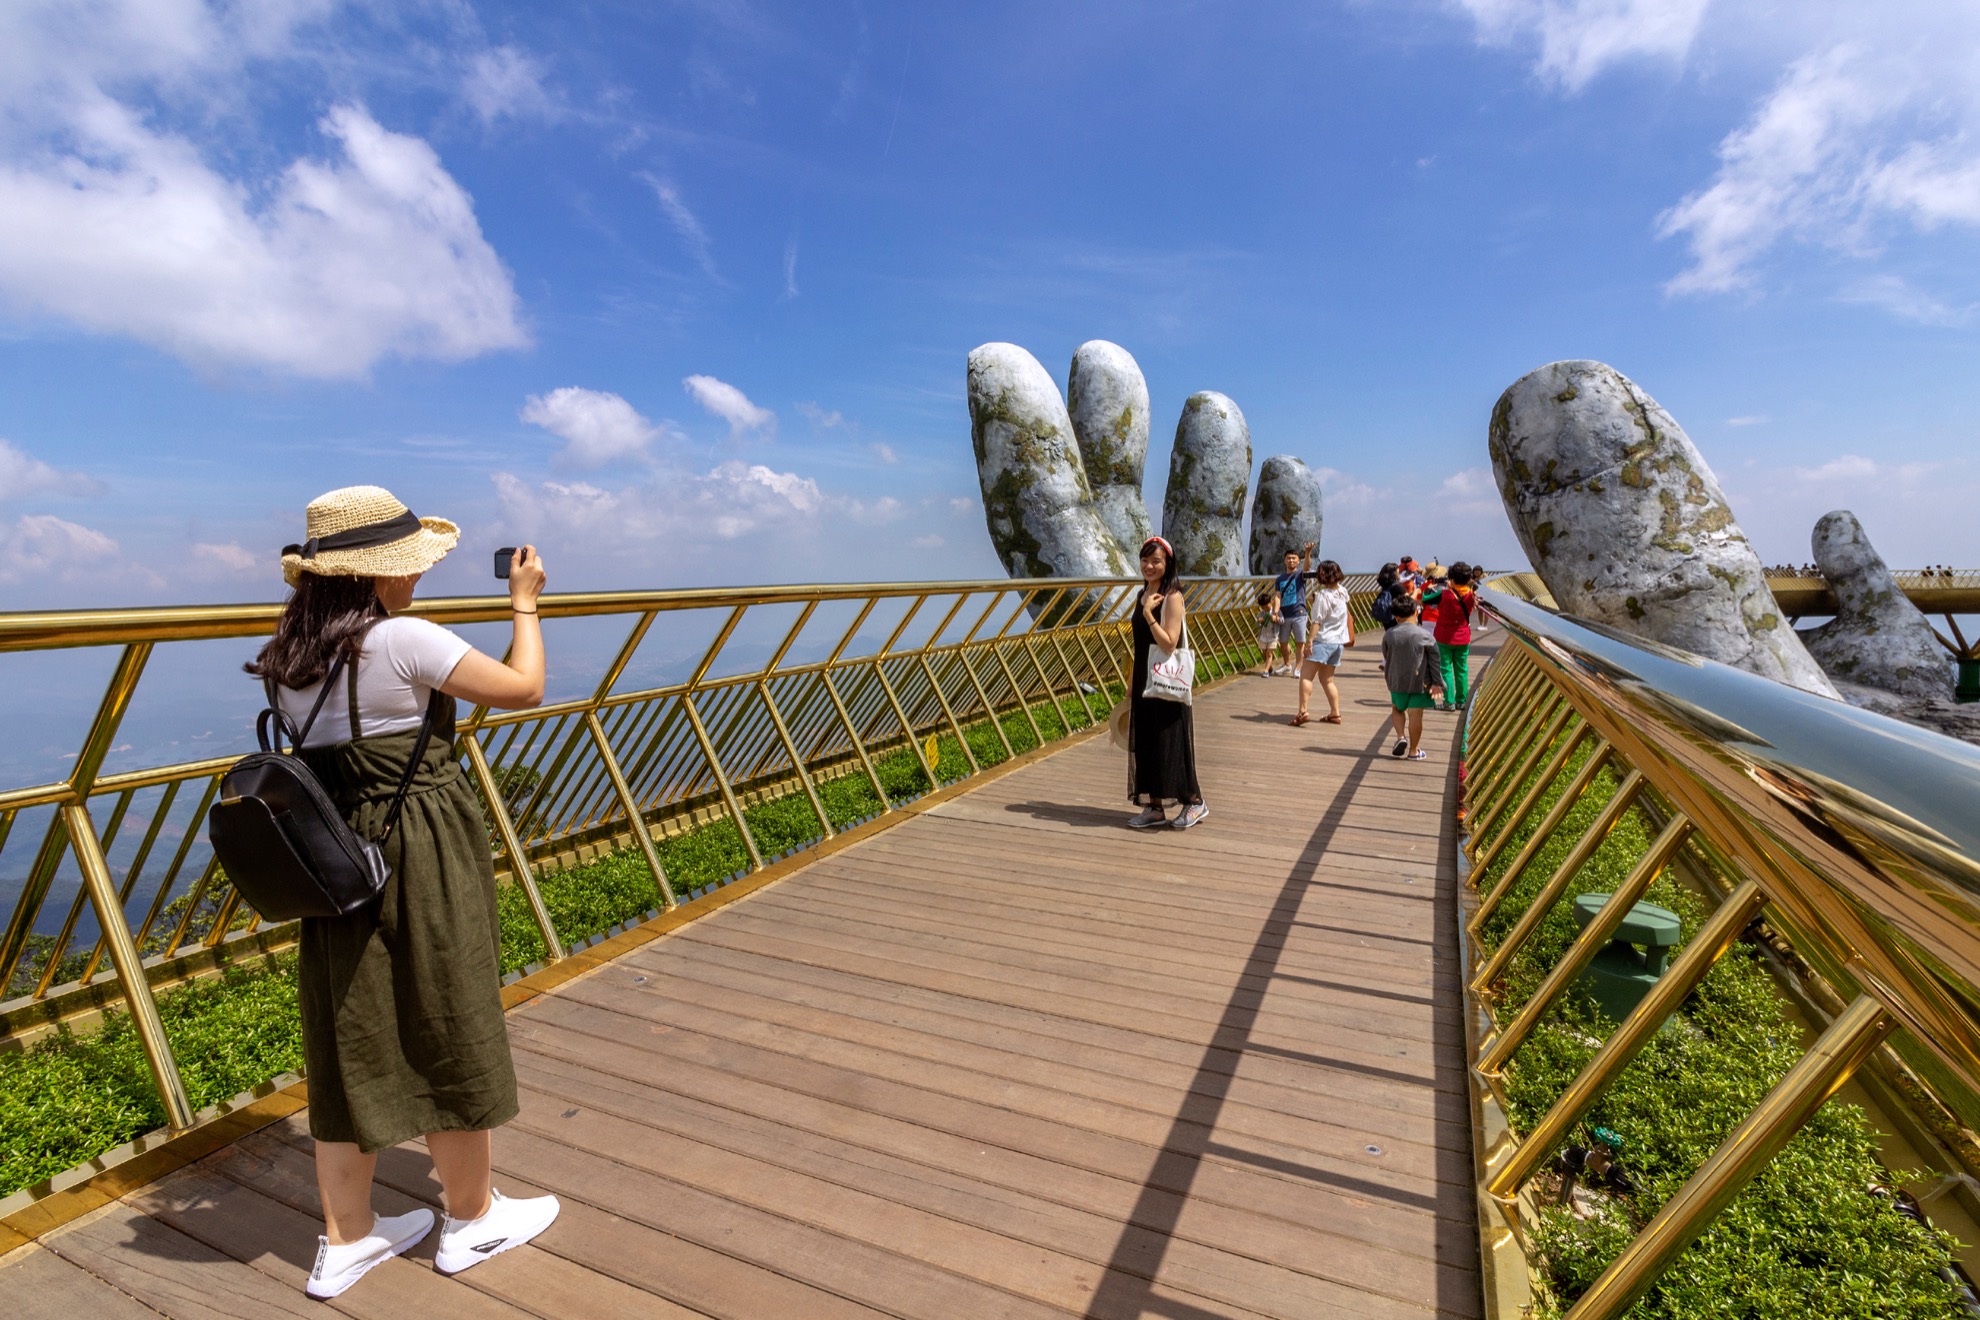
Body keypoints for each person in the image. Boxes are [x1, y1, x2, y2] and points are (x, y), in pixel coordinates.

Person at [246, 486, 560, 1298]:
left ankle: (348, 1237)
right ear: (379, 576)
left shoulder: (288, 657)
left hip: (338, 862)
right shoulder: (405, 640)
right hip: (420, 848)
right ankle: (471, 1218)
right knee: (446, 1011)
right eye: (408, 566)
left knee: (354, 1030)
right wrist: (524, 605)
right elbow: (523, 689)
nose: (415, 579)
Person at [1127, 535, 1208, 830]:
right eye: (1145, 560)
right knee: (1147, 742)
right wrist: (1131, 682)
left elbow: (1169, 643)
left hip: (1167, 678)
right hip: (1144, 678)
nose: (1149, 566)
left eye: (1156, 561)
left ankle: (1194, 802)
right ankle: (1155, 806)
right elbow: (1139, 644)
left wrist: (1149, 614)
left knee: (1171, 741)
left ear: (1168, 563)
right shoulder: (1142, 593)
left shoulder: (1172, 595)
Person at [1380, 593, 1444, 760]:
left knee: (1397, 708)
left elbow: (1387, 656)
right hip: (1420, 681)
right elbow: (1435, 660)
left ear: (1395, 616)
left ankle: (1401, 737)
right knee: (1415, 714)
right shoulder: (1425, 636)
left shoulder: (1389, 635)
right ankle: (1414, 751)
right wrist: (1437, 682)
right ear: (1416, 611)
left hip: (1396, 680)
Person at [1291, 559, 1354, 726]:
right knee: (1327, 680)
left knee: (1306, 677)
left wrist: (1310, 641)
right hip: (1337, 643)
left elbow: (1317, 621)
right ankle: (1335, 713)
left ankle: (1303, 711)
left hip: (1323, 640)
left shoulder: (1323, 595)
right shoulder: (1342, 592)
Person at [1423, 561, 1477, 710]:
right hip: (1463, 636)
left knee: (1445, 669)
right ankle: (1462, 701)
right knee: (1461, 669)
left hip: (1444, 637)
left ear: (1451, 578)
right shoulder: (1471, 595)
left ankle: (1449, 702)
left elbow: (1426, 599)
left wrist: (1428, 589)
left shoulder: (1444, 594)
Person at [1263, 547, 1309, 676]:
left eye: (1294, 558)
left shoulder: (1300, 575)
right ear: (1284, 560)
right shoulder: (1280, 579)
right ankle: (1288, 665)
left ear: (1298, 561)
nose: (1291, 560)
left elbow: (1307, 567)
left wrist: (1308, 552)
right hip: (1285, 614)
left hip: (1299, 613)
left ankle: (1298, 668)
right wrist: (1275, 612)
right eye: (1288, 558)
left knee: (1300, 643)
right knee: (1283, 643)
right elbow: (1277, 596)